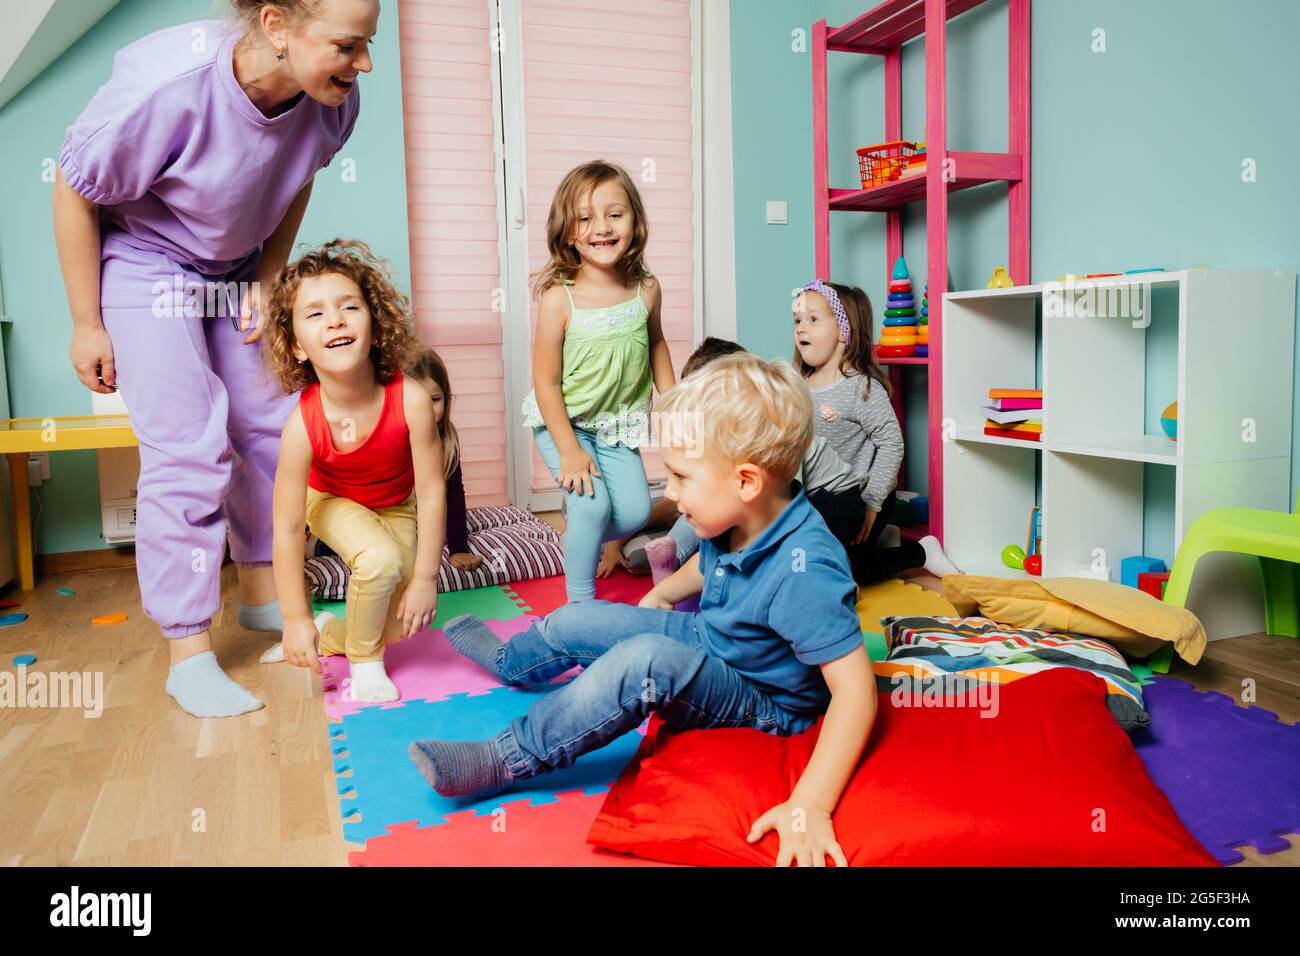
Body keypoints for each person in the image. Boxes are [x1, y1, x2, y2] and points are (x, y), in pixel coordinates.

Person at [414, 354, 877, 867]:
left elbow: (856, 694)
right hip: (712, 639)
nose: (671, 495)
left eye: (680, 477)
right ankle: (512, 661)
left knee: (646, 661)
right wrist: (661, 597)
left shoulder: (806, 569)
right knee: (580, 616)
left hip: (764, 702)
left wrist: (809, 805)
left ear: (745, 482)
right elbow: (711, 565)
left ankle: (506, 756)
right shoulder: (743, 512)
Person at [51, 0, 377, 717]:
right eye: (348, 45)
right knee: (189, 449)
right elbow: (73, 188)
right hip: (146, 262)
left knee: (271, 428)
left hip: (235, 269)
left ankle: (264, 599)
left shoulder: (330, 102)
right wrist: (86, 323)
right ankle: (187, 651)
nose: (364, 65)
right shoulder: (171, 87)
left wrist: (268, 274)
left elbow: (300, 174)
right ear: (276, 25)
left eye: (368, 45)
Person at [261, 240, 444, 704]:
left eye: (348, 307)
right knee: (379, 560)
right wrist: (294, 617)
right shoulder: (301, 425)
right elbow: (284, 528)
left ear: (377, 328)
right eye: (315, 314)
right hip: (328, 500)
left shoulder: (413, 399)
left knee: (400, 623)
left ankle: (333, 633)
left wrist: (425, 579)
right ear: (297, 347)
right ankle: (364, 666)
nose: (335, 320)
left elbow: (431, 490)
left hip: (395, 503)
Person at [518, 161, 676, 602]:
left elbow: (657, 344)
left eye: (614, 214)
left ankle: (583, 524)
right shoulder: (559, 299)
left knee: (635, 511)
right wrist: (569, 450)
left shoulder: (647, 289)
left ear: (635, 221)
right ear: (568, 232)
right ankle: (578, 607)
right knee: (593, 505)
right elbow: (545, 382)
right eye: (584, 218)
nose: (600, 228)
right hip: (564, 423)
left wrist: (674, 402)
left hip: (616, 425)